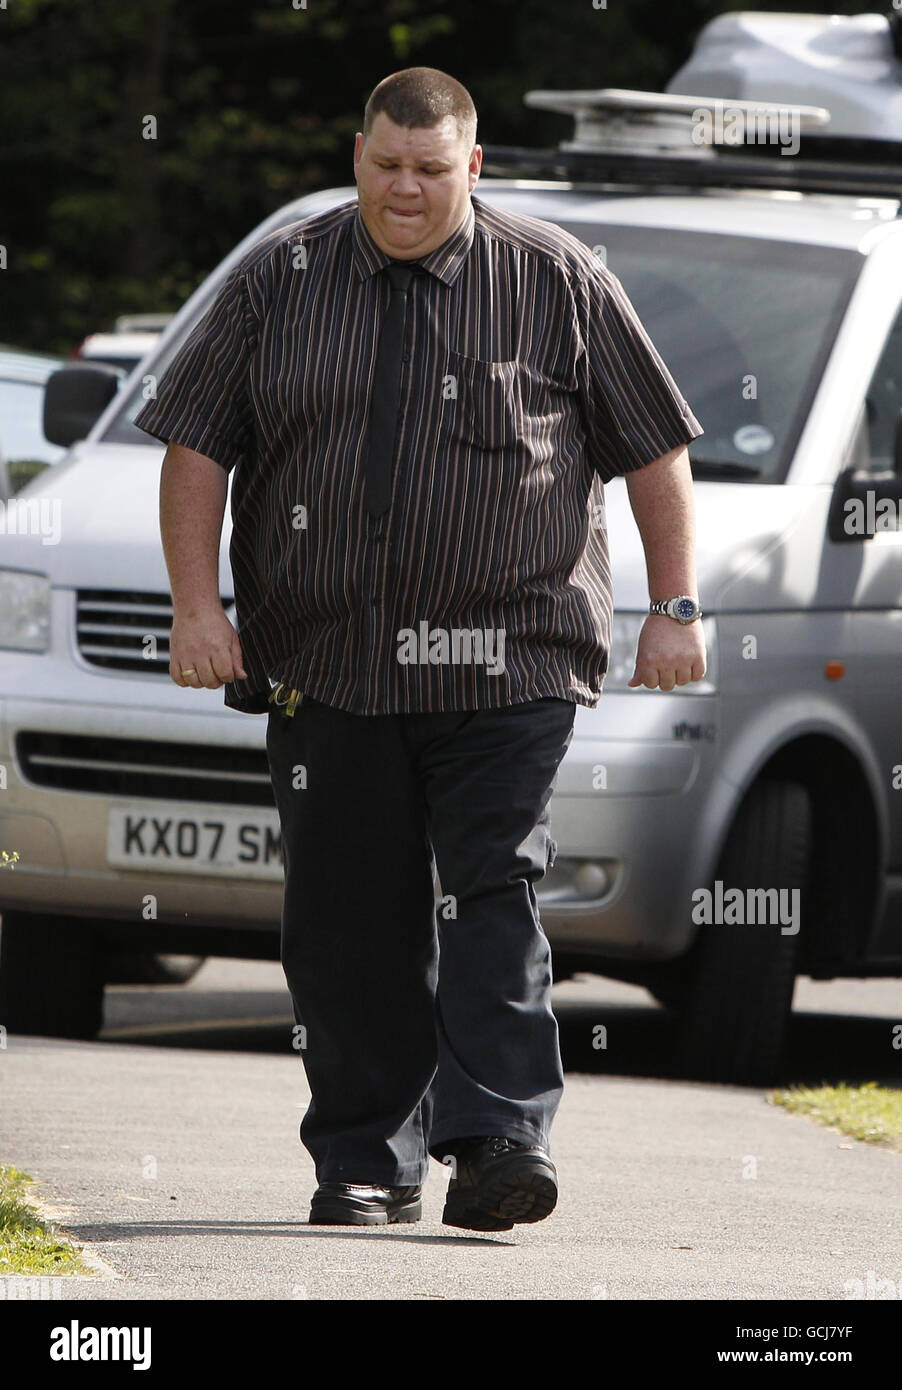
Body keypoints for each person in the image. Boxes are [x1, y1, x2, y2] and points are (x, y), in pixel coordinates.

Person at [134, 66, 706, 1231]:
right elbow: (195, 442)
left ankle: (497, 1143)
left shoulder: (555, 280)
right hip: (327, 662)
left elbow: (654, 451)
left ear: (473, 168)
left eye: (430, 171)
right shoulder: (277, 277)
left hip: (509, 663)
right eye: (386, 166)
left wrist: (675, 607)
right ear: (357, 157)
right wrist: (198, 611)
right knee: (347, 918)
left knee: (491, 890)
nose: (405, 190)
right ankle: (365, 1157)